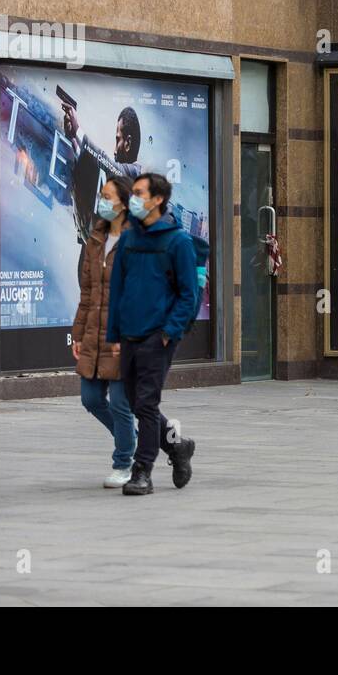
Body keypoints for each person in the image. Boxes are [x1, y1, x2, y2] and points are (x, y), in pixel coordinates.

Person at [106, 173, 199, 496]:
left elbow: (190, 295)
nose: (133, 198)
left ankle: (142, 471)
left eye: (139, 193)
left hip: (157, 336)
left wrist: (169, 332)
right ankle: (178, 447)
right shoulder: (130, 240)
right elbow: (117, 289)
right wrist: (114, 335)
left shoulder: (178, 242)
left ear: (157, 199)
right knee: (136, 402)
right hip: (129, 334)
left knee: (145, 402)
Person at [73, 175, 137, 488]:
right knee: (91, 398)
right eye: (101, 194)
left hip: (124, 336)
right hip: (94, 334)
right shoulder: (95, 239)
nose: (101, 201)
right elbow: (87, 292)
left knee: (119, 403)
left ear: (123, 204)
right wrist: (78, 332)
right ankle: (130, 438)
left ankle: (123, 461)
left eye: (107, 196)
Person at [61, 99, 142, 242]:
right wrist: (73, 139)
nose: (115, 150)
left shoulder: (133, 174)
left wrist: (78, 130)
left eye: (118, 141)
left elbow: (104, 162)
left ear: (128, 143)